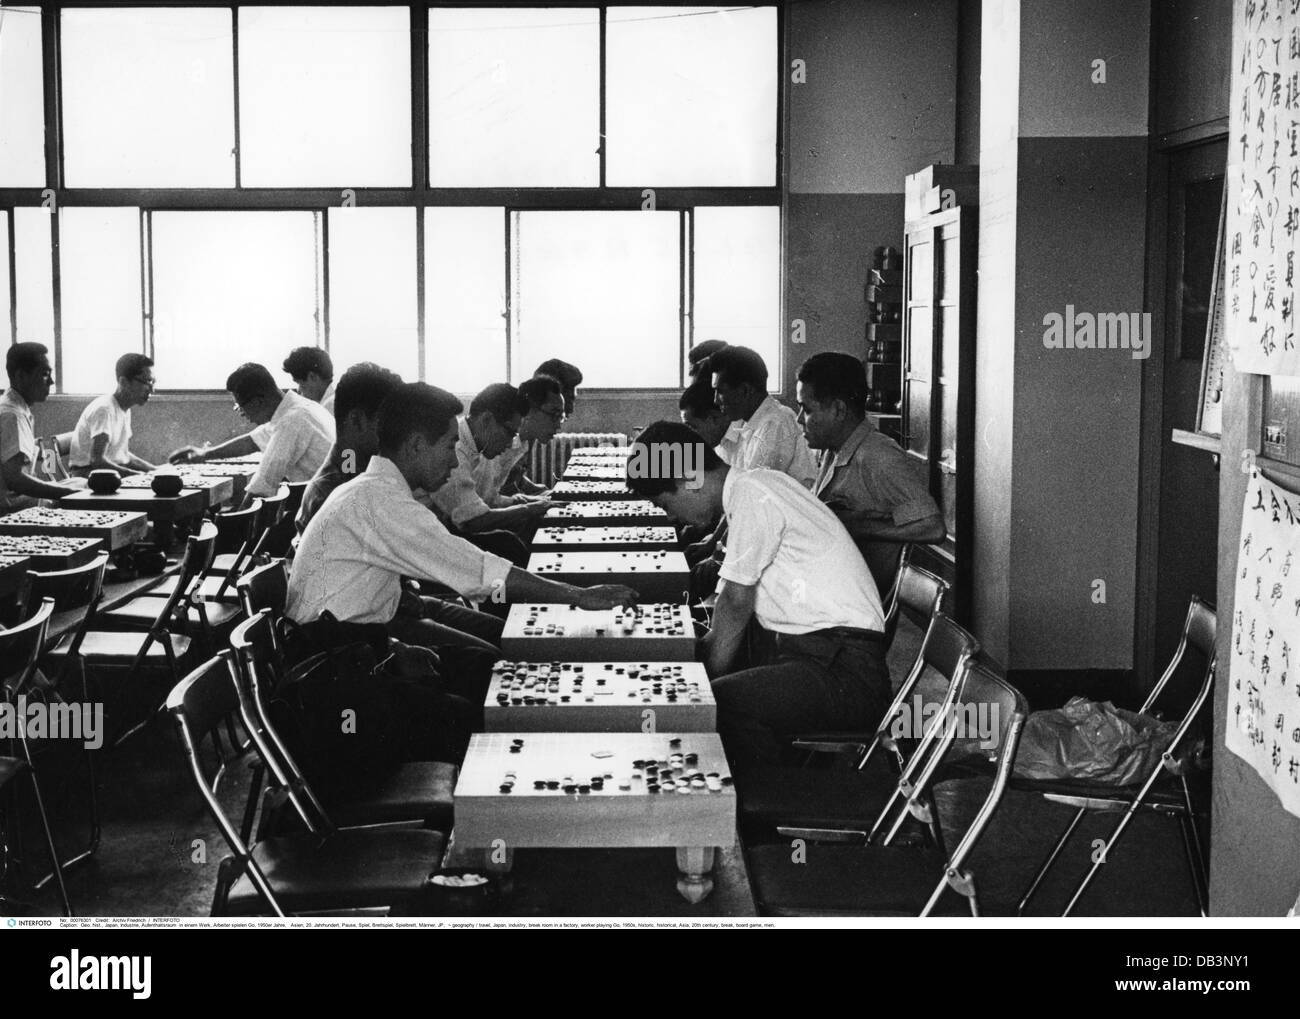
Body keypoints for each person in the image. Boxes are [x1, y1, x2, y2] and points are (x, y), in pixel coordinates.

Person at [287, 381, 639, 689]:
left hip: (367, 635)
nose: (455, 464)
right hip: (338, 666)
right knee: (491, 670)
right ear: (415, 446)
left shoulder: (374, 488)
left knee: (499, 644)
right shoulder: (379, 500)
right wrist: (577, 595)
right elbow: (478, 570)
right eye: (448, 447)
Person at [625, 420, 889, 770]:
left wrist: (703, 680)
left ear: (689, 480)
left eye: (665, 504)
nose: (671, 516)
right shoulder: (754, 485)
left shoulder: (752, 493)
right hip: (819, 655)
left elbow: (736, 601)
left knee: (720, 703)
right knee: (708, 674)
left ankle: (758, 815)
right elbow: (728, 605)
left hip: (844, 672)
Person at [295, 362, 503, 654]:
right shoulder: (333, 487)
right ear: (356, 420)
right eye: (386, 418)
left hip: (398, 600)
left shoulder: (360, 470)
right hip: (365, 630)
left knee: (500, 631)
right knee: (489, 653)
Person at [796, 353, 945, 593]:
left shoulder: (878, 456)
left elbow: (932, 527)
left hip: (855, 602)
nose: (799, 419)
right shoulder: (833, 450)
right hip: (831, 585)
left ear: (838, 410)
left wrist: (862, 527)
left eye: (807, 409)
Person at [170, 362, 334, 505]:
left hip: (326, 506)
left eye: (240, 407)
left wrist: (236, 523)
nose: (242, 414)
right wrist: (204, 454)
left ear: (258, 402)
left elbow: (262, 486)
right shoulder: (296, 408)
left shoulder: (292, 420)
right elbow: (252, 441)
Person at [429, 383, 554, 547]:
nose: (510, 444)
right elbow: (473, 520)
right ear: (486, 420)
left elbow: (488, 501)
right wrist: (529, 509)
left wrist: (528, 503)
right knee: (509, 543)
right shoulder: (456, 448)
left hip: (444, 531)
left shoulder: (478, 445)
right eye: (509, 433)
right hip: (429, 540)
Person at [709, 345, 815, 487]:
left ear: (745, 390)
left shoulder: (775, 422)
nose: (716, 400)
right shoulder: (749, 422)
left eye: (720, 391)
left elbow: (752, 491)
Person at [0, 342, 81, 511]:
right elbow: (15, 479)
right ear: (21, 376)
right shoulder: (13, 415)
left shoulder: (16, 408)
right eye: (44, 374)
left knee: (81, 483)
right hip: (12, 508)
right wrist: (67, 492)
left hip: (16, 499)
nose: (51, 381)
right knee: (84, 495)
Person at [68, 353, 159, 476]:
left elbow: (124, 456)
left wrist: (157, 471)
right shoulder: (104, 409)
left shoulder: (124, 409)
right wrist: (136, 475)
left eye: (153, 382)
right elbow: (97, 461)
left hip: (107, 474)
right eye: (147, 382)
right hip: (89, 476)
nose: (151, 389)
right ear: (124, 382)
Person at [494, 374, 566, 499]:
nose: (558, 426)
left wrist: (539, 489)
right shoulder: (501, 441)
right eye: (553, 415)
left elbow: (511, 477)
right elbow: (493, 495)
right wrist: (536, 500)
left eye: (560, 417)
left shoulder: (526, 441)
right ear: (529, 409)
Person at [283, 346, 336, 415]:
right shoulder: (332, 400)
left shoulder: (329, 407)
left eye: (301, 384)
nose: (299, 391)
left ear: (313, 377)